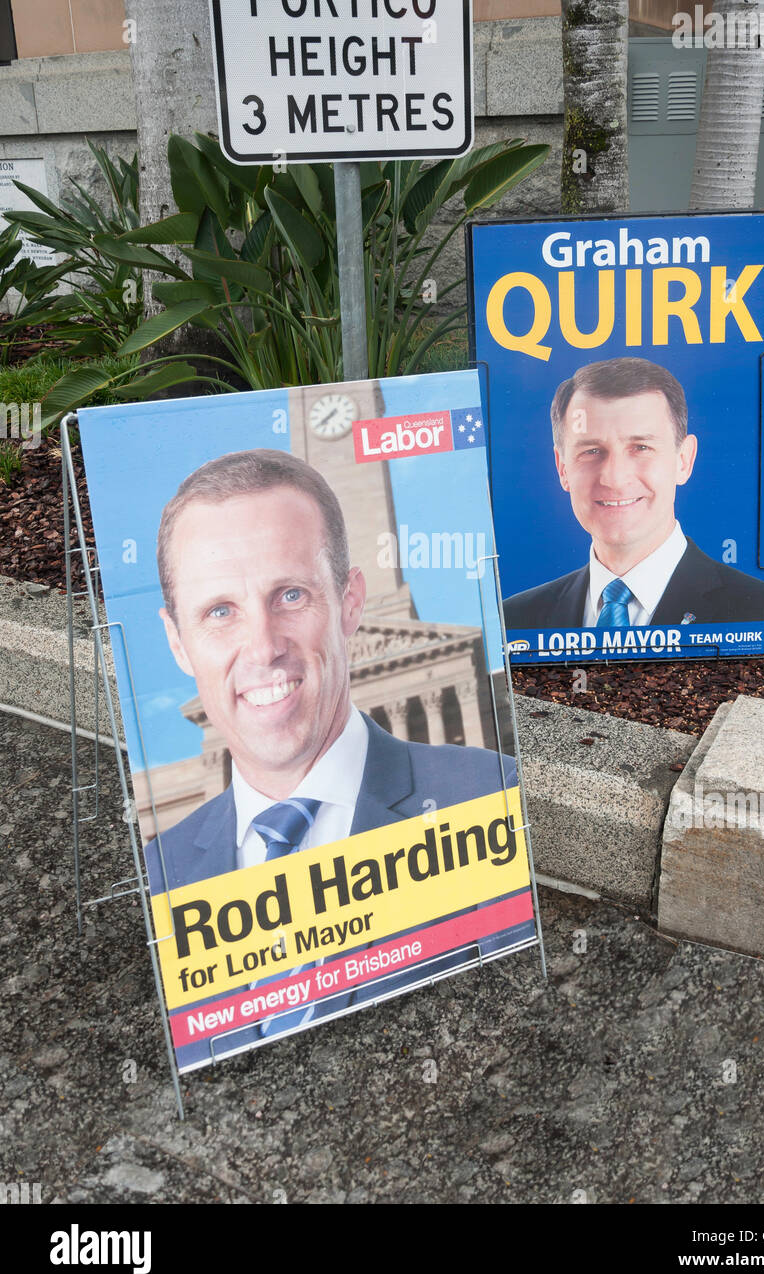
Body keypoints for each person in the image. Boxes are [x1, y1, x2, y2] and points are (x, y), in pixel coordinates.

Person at [145, 448, 530, 1066]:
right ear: (177, 642)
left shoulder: (488, 798)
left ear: (351, 602)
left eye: (291, 595)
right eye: (220, 611)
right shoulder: (158, 873)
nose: (263, 647)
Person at [503, 357, 764, 630]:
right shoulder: (513, 621)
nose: (615, 478)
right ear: (562, 468)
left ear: (684, 460)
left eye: (641, 447)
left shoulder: (758, 611)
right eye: (591, 451)